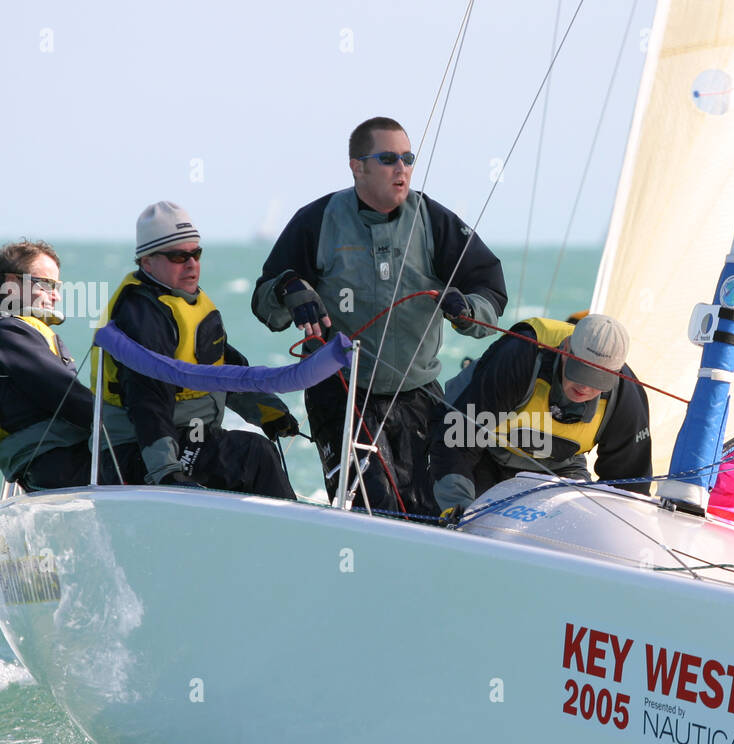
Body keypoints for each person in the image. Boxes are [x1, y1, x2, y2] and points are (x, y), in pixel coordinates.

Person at [252, 116, 507, 516]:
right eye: (389, 158)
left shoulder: (433, 221)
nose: (401, 168)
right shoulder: (317, 220)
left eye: (408, 157)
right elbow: (264, 300)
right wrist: (289, 288)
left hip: (418, 393)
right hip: (341, 392)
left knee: (436, 511)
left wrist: (468, 310)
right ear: (358, 166)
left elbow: (490, 287)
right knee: (375, 509)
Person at [100, 201, 299, 498]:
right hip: (135, 452)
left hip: (185, 438)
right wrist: (166, 473)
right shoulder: (141, 316)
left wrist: (266, 411)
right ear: (146, 262)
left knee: (249, 454)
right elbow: (148, 399)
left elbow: (222, 365)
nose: (191, 263)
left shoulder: (185, 301)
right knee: (253, 455)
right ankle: (294, 538)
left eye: (196, 253)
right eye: (179, 256)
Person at [430, 313, 653, 520]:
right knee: (458, 511)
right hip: (483, 453)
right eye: (580, 371)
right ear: (565, 349)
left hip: (559, 467)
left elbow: (628, 487)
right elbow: (458, 442)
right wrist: (457, 510)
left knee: (576, 523)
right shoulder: (521, 356)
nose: (585, 387)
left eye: (598, 381)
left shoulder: (626, 396)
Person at [0, 240, 138, 490]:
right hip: (55, 463)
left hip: (63, 456)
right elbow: (67, 397)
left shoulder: (21, 331)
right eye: (46, 285)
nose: (56, 295)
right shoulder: (5, 334)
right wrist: (136, 426)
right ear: (12, 284)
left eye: (58, 286)